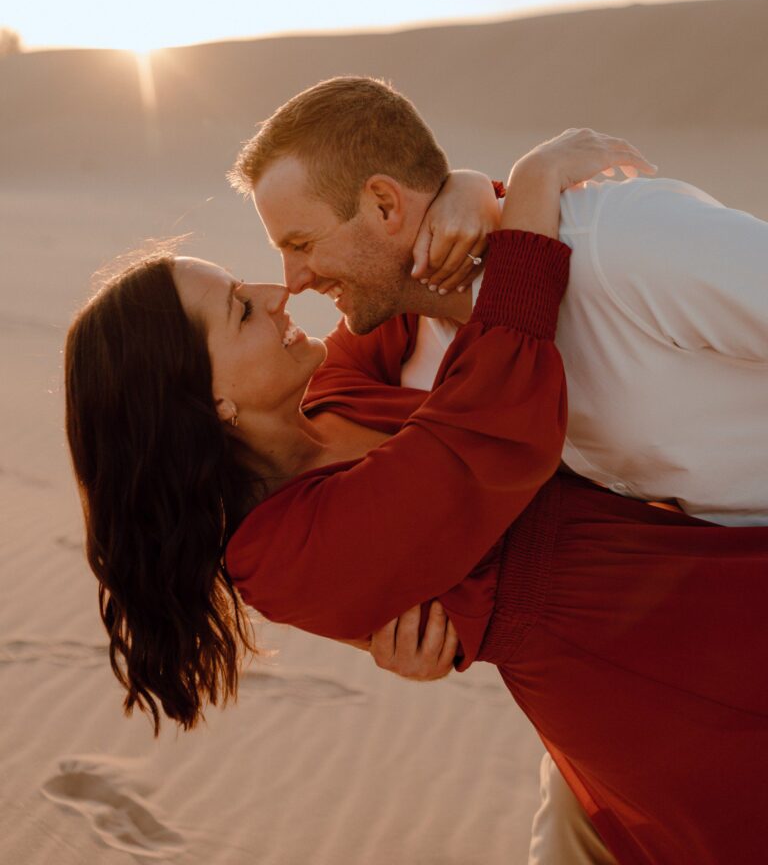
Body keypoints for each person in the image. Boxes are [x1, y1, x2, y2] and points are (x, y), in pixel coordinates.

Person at [65, 132, 768, 865]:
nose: (280, 293)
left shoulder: (332, 390)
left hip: (691, 567)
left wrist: (462, 188)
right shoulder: (277, 555)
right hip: (635, 679)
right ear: (208, 403)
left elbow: (391, 278)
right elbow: (488, 426)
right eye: (241, 310)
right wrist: (532, 184)